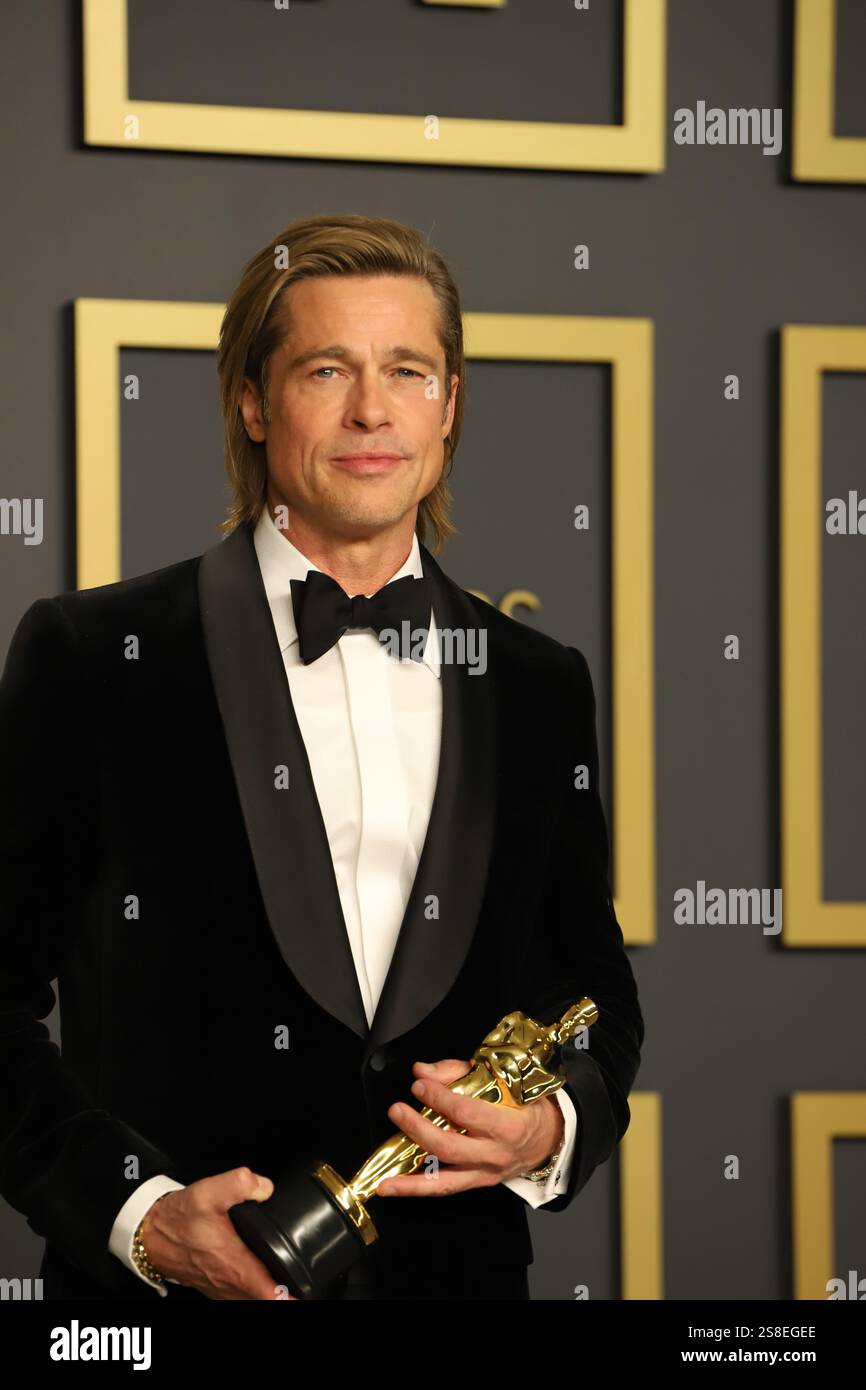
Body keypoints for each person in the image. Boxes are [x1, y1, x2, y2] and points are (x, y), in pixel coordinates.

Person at [0, 214, 643, 1301]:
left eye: (408, 370)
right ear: (253, 402)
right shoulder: (90, 655)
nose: (371, 410)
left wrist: (547, 1124)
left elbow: (590, 988)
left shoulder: (538, 681)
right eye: (325, 368)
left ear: (448, 407)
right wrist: (141, 1219)